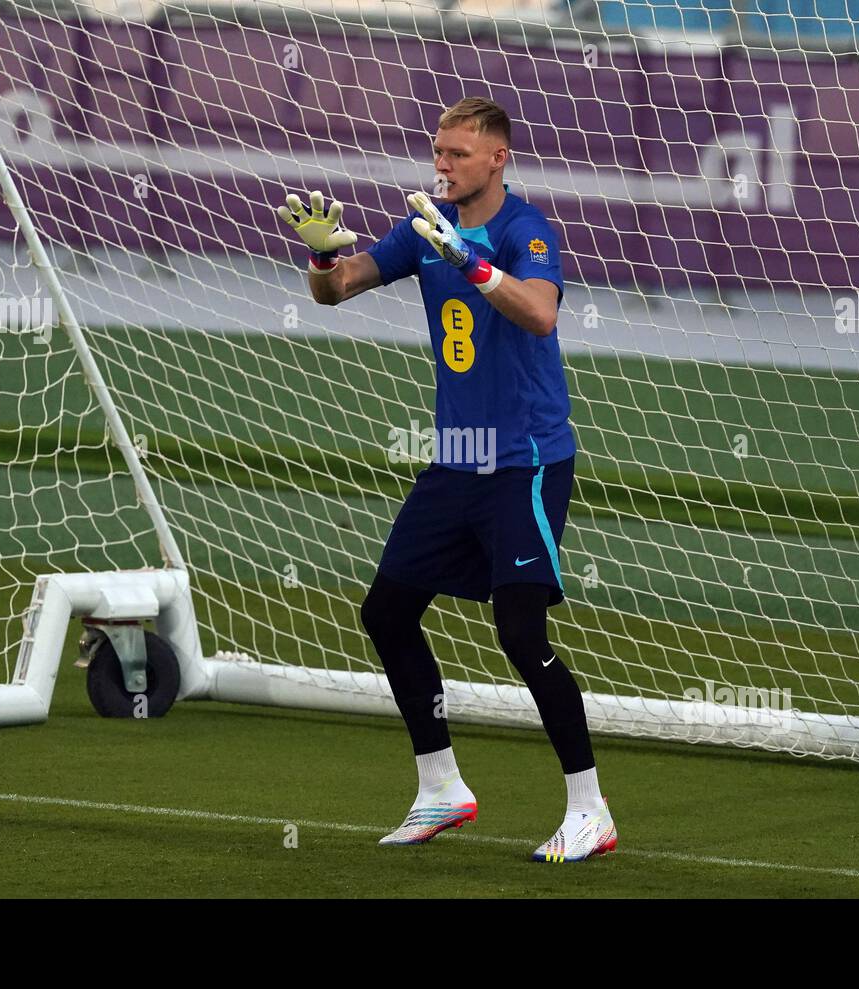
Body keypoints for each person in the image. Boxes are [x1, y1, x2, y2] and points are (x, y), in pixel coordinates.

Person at [276, 97, 616, 863]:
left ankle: (589, 809)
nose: (442, 164)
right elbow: (338, 290)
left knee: (522, 634)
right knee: (387, 612)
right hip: (455, 460)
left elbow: (539, 314)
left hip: (525, 461)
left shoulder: (524, 229)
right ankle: (440, 787)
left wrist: (471, 259)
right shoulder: (425, 226)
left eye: (458, 153)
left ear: (497, 158)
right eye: (438, 150)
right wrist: (326, 256)